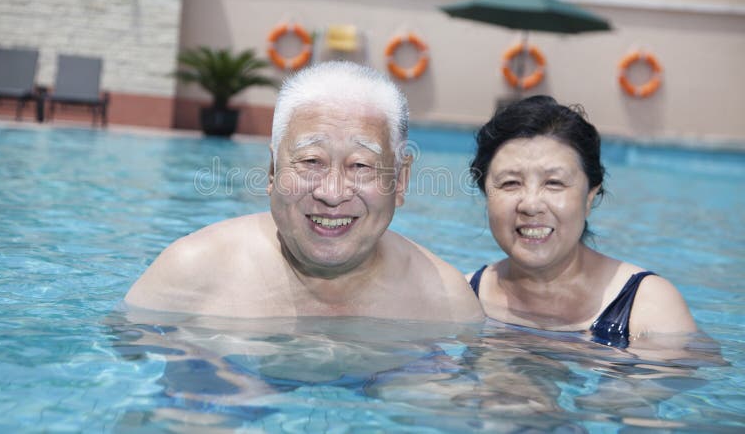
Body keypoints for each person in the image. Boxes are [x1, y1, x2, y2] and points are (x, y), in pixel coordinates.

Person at [126, 61, 483, 322]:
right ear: (272, 170)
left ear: (400, 180)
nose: (332, 193)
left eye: (360, 165)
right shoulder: (190, 276)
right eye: (312, 161)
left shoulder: (445, 303)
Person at [466, 95, 696, 348]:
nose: (531, 205)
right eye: (510, 183)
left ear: (589, 198)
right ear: (486, 195)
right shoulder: (462, 298)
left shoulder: (649, 307)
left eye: (554, 183)